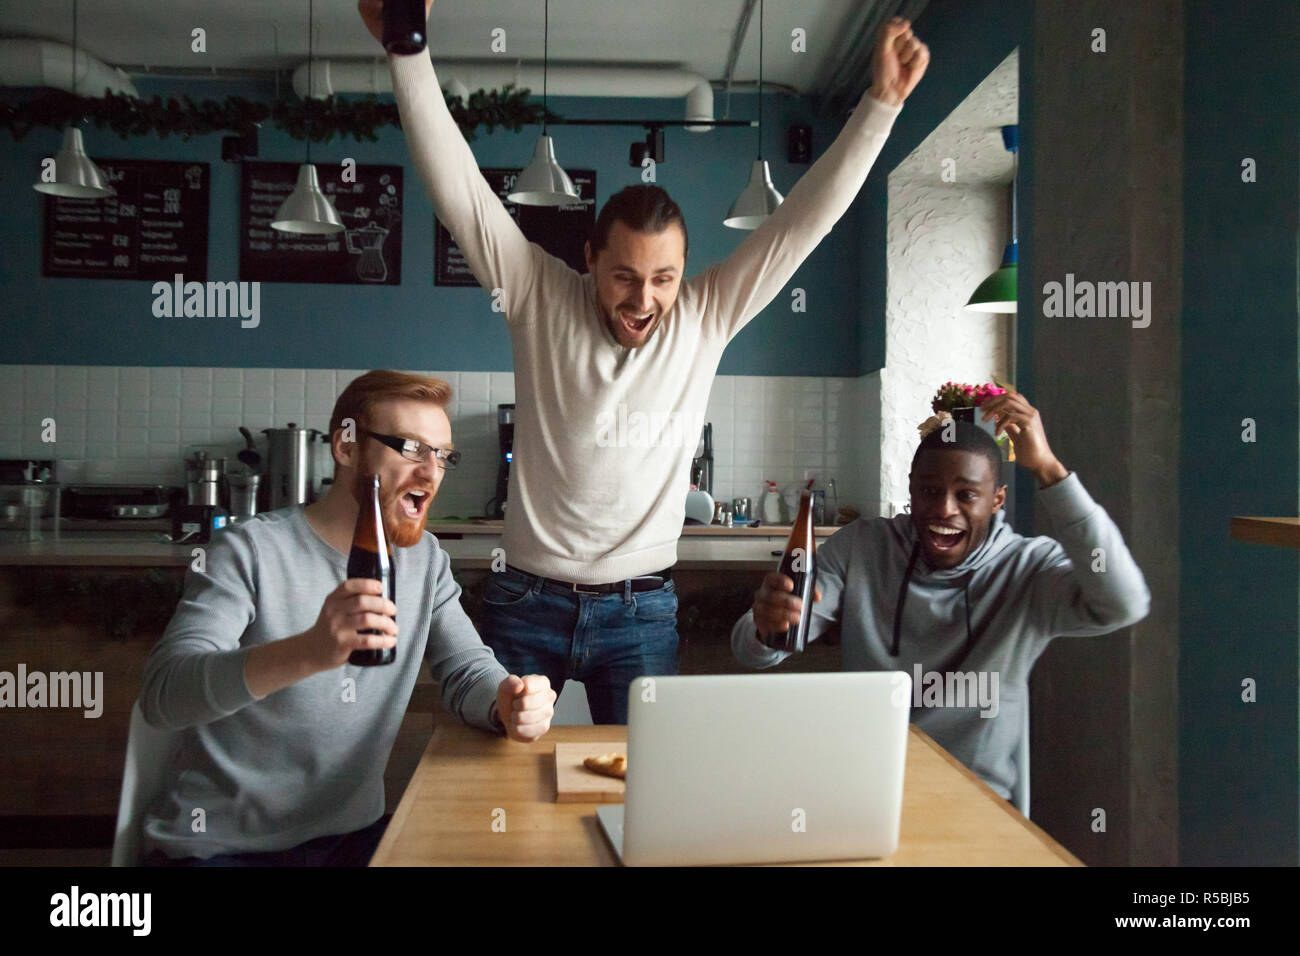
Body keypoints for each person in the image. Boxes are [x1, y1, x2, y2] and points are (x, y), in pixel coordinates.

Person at [358, 0, 930, 722]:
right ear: (590, 259)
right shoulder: (537, 291)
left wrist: (881, 105)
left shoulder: (707, 311)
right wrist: (407, 48)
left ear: (686, 272)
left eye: (663, 278)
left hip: (641, 609)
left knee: (642, 803)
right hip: (524, 598)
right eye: (624, 276)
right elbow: (459, 191)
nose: (643, 299)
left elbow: (801, 225)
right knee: (488, 789)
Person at [140, 371, 555, 866]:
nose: (431, 472)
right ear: (346, 447)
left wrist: (506, 703)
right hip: (222, 848)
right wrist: (310, 650)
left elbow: (468, 671)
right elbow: (164, 696)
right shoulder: (249, 551)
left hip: (352, 839)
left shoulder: (424, 560)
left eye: (442, 455)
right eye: (411, 448)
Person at [731, 391, 1151, 800]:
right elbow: (756, 651)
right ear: (911, 490)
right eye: (928, 491)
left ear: (997, 501)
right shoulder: (862, 547)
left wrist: (1049, 471)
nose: (943, 509)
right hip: (869, 786)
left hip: (979, 799)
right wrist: (766, 627)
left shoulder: (1029, 569)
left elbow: (1123, 603)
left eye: (966, 494)